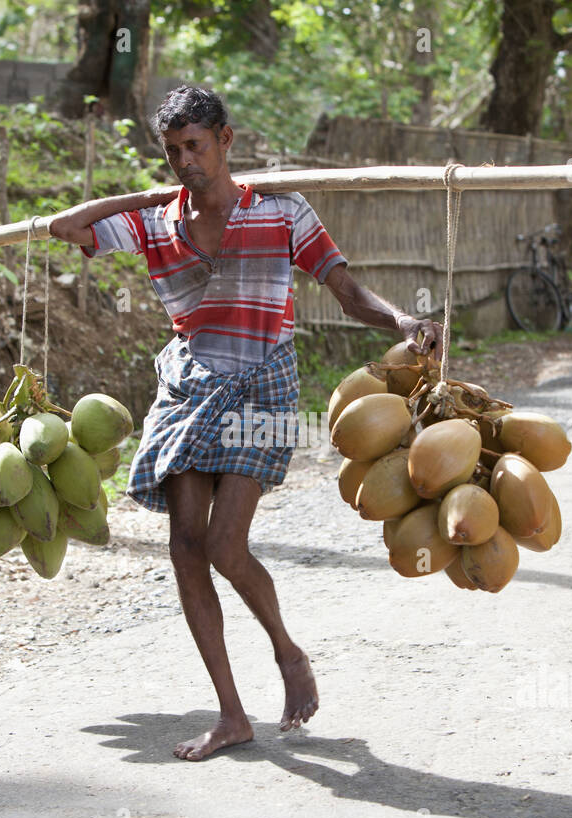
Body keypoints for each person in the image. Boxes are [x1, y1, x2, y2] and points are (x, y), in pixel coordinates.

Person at [48, 85, 442, 760]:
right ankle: (232, 714)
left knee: (227, 547)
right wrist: (146, 200)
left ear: (226, 140)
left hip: (263, 386)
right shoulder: (153, 221)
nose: (184, 162)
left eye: (195, 147)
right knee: (184, 547)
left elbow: (345, 292)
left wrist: (402, 320)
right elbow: (67, 226)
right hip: (187, 386)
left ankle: (288, 652)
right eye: (172, 151)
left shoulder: (282, 212)